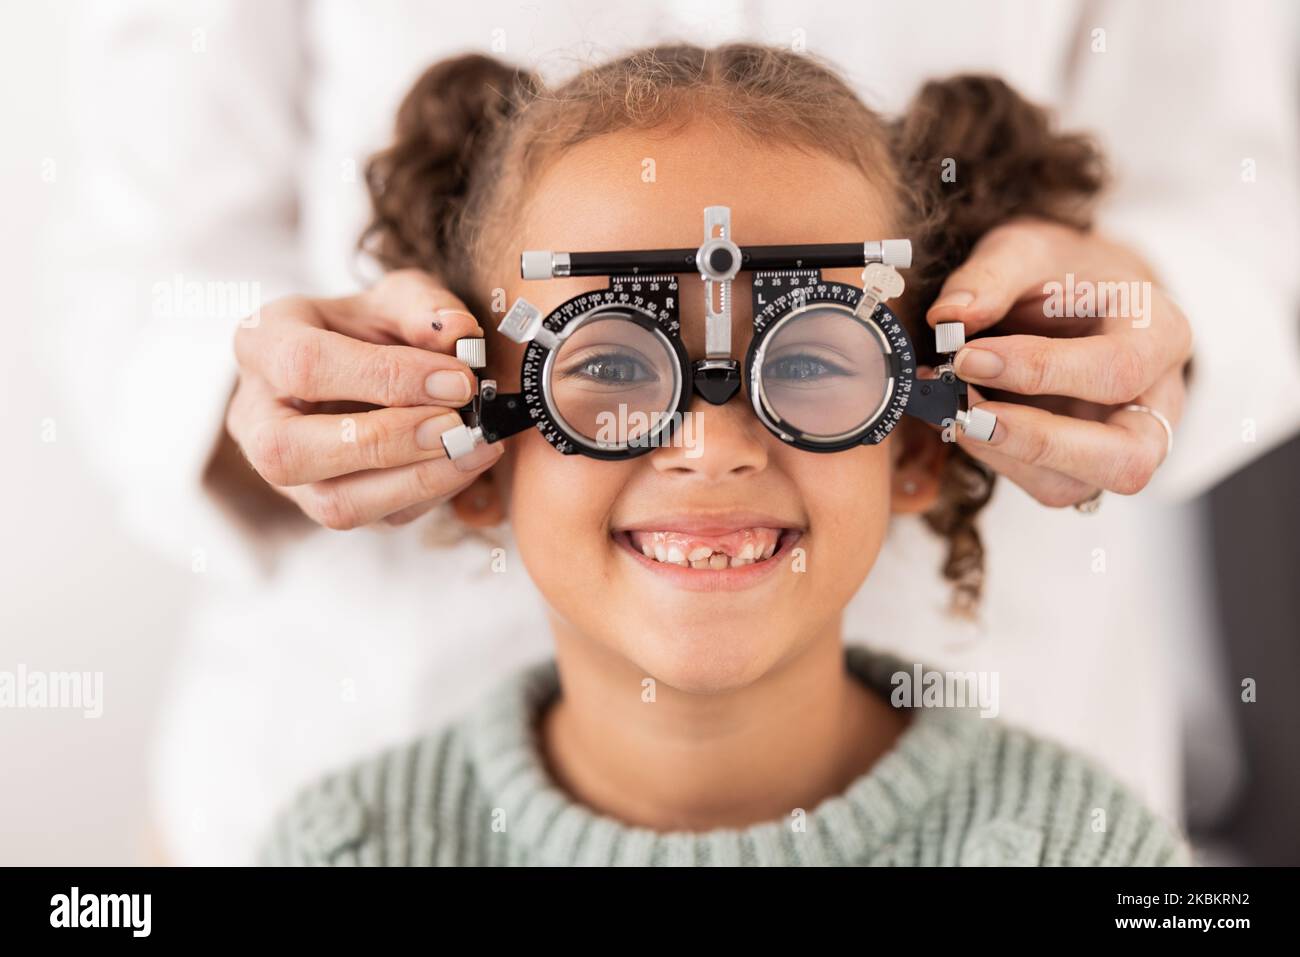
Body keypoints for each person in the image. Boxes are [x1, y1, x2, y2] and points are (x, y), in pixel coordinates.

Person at [50, 1, 1298, 864]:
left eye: (807, 357)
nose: (710, 443)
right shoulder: (343, 845)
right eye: (609, 364)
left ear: (918, 438)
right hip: (351, 700)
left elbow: (1252, 193)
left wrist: (1133, 314)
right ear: (479, 450)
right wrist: (282, 394)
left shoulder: (1072, 848)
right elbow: (139, 260)